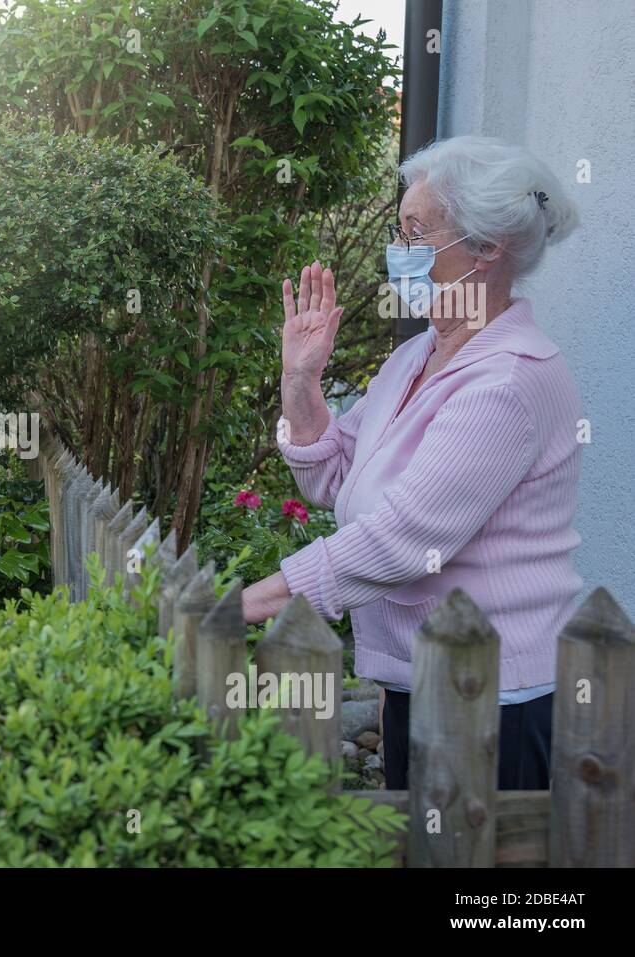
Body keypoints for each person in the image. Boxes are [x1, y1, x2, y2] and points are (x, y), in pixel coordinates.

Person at [241, 135, 582, 790]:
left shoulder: (508, 381)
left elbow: (400, 540)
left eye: (416, 232)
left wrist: (243, 603)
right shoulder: (417, 357)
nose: (399, 253)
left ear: (487, 248)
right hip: (417, 679)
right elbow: (333, 479)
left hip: (493, 700)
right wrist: (301, 384)